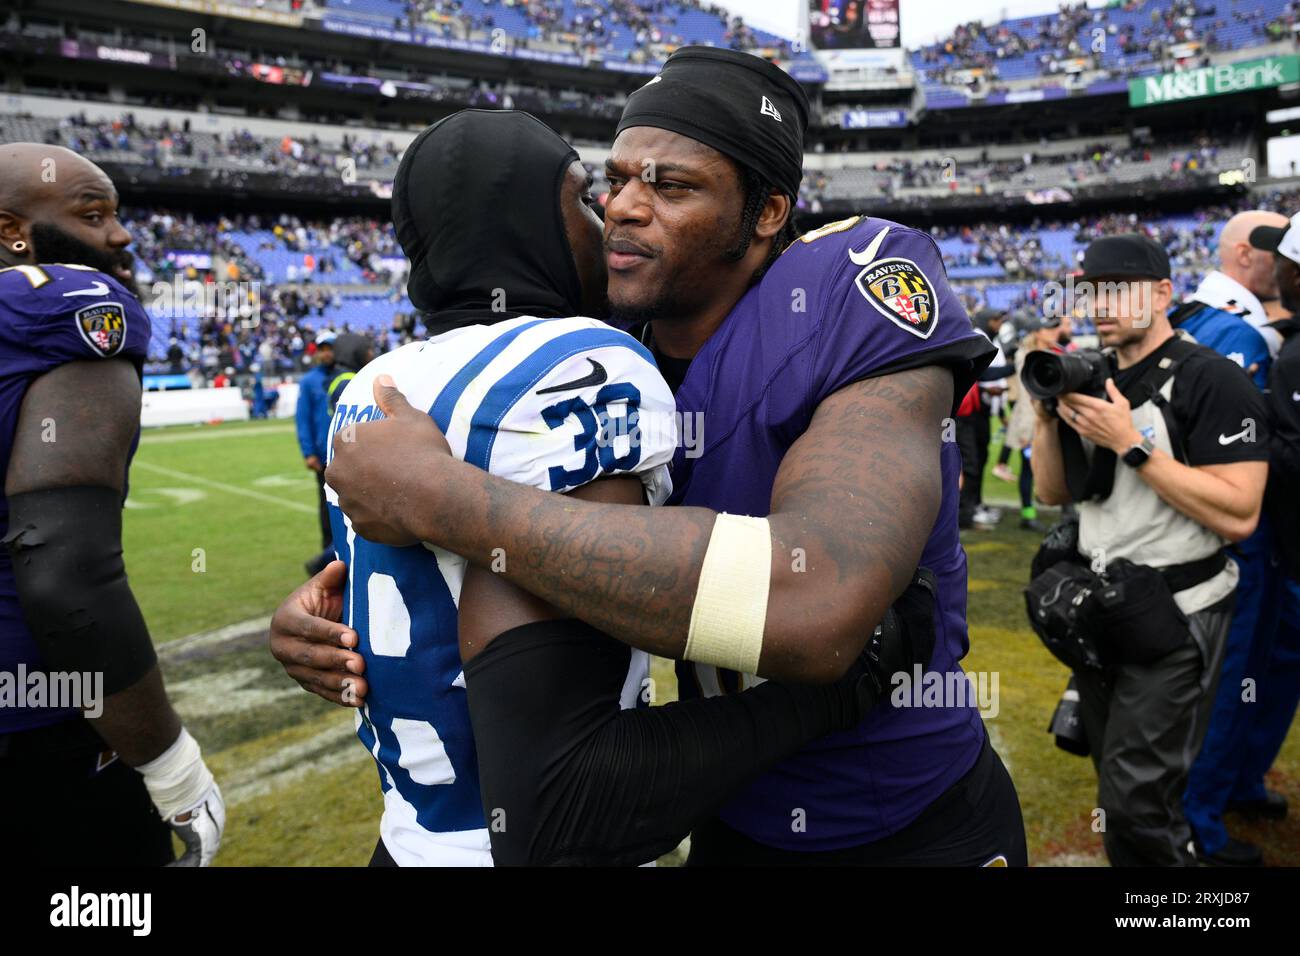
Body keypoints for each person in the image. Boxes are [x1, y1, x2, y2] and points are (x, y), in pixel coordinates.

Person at [312, 48, 1025, 866]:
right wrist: (339, 617)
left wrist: (440, 499)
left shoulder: (848, 284)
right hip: (723, 810)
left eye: (672, 185)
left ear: (766, 213)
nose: (623, 208)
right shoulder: (609, 349)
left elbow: (822, 601)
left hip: (906, 827)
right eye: (613, 181)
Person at [0, 143, 223, 866]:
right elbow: (65, 572)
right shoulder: (59, 302)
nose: (121, 236)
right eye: (93, 215)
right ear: (12, 232)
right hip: (34, 731)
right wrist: (171, 764)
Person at [1030, 234, 1270, 867]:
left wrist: (1131, 444)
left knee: (1140, 803)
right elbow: (1055, 491)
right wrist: (1047, 417)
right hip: (1107, 609)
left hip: (1180, 611)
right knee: (1118, 781)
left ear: (1164, 293)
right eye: (1091, 291)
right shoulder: (1094, 375)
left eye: (1119, 289)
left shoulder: (1210, 378)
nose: (1101, 305)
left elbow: (1241, 512)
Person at [1176, 212, 1283, 866]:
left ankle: (1232, 786)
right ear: (1247, 255)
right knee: (1225, 680)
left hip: (1252, 539)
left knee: (1258, 674)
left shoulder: (1211, 319)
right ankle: (1198, 827)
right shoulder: (1225, 328)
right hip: (1230, 537)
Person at [1191, 210, 1289, 360]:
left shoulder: (1192, 311)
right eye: (1280, 254)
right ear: (1244, 255)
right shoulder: (1246, 333)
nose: (1290, 265)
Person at [296, 331, 334, 576]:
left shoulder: (346, 376)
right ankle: (328, 561)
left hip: (348, 454)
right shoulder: (309, 381)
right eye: (321, 348)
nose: (326, 353)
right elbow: (303, 418)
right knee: (327, 510)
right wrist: (308, 451)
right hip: (323, 459)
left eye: (329, 348)